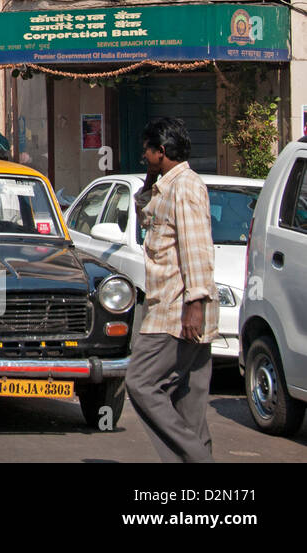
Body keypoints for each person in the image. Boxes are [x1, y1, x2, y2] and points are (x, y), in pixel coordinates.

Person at [124, 117, 218, 463]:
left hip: (176, 313)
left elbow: (196, 248)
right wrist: (150, 181)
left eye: (147, 153)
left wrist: (195, 303)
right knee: (188, 406)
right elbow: (146, 214)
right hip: (178, 311)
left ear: (161, 151)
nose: (143, 159)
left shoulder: (186, 187)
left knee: (141, 382)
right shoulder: (166, 185)